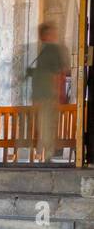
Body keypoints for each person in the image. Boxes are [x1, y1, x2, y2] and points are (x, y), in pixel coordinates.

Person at [25, 21, 71, 163]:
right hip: (48, 94)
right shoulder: (51, 50)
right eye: (52, 32)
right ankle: (47, 155)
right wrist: (60, 93)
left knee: (43, 123)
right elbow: (59, 73)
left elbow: (56, 73)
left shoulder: (45, 50)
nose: (55, 34)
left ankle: (42, 153)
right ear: (47, 35)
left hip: (42, 94)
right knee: (47, 124)